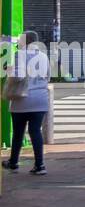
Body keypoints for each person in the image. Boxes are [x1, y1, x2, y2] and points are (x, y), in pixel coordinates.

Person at [4, 31, 50, 175]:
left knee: (18, 133)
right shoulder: (43, 56)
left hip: (22, 99)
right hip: (41, 98)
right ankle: (40, 165)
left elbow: (18, 77)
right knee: (35, 131)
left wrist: (9, 70)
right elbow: (48, 76)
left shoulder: (20, 54)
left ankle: (13, 162)